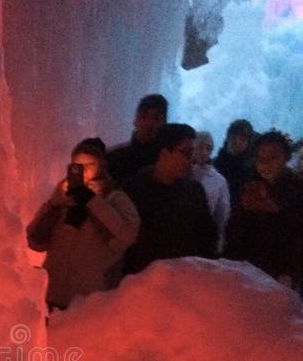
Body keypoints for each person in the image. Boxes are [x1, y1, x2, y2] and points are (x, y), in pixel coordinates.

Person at [26, 138, 140, 311]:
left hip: (90, 299)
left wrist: (90, 200)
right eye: (78, 165)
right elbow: (34, 241)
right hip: (51, 294)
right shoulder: (63, 198)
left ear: (101, 166)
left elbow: (124, 237)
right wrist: (54, 205)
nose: (84, 170)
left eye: (90, 164)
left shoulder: (116, 199)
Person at [121, 123, 218, 275]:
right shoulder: (134, 190)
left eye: (192, 153)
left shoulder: (194, 192)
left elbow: (206, 238)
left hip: (183, 278)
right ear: (164, 153)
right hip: (142, 279)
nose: (192, 160)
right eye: (186, 152)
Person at [224, 130, 303, 293]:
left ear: (286, 157)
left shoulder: (298, 190)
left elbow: (299, 236)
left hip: (282, 271)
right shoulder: (249, 186)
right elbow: (235, 227)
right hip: (247, 266)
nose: (265, 163)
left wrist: (290, 272)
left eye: (273, 157)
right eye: (260, 158)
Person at [106, 93, 168, 185]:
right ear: (135, 121)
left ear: (164, 124)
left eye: (156, 118)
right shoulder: (113, 158)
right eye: (144, 117)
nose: (149, 123)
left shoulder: (169, 162)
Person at [191, 130, 231, 253]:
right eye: (199, 146)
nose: (203, 152)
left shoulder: (219, 180)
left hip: (203, 237)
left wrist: (219, 242)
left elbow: (222, 214)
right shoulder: (181, 173)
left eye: (208, 148)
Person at [213, 119, 254, 206]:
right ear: (227, 138)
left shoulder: (253, 170)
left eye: (242, 139)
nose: (237, 141)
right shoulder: (213, 167)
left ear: (248, 143)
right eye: (233, 137)